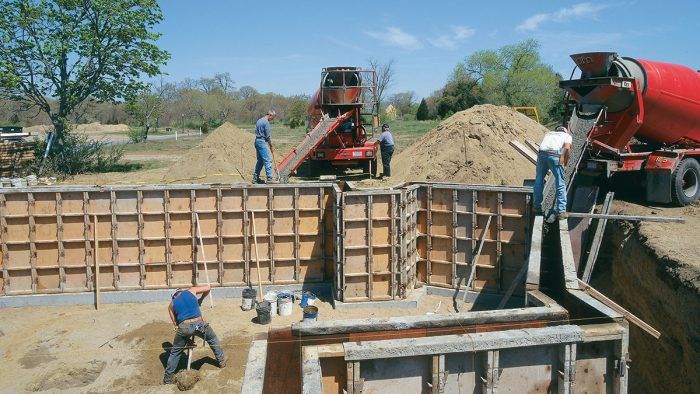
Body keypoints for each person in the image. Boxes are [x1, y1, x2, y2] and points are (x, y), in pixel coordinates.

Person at [163, 286, 226, 385]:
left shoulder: (171, 305)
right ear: (181, 291)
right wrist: (200, 299)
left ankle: (167, 380)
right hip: (200, 324)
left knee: (175, 352)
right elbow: (208, 288)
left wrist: (185, 338)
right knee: (212, 338)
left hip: (184, 327)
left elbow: (176, 324)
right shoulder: (191, 291)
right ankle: (221, 361)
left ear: (173, 297)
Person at [533, 125, 572, 219]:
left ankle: (537, 208)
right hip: (554, 155)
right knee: (560, 182)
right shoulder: (567, 136)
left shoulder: (549, 133)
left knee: (538, 180)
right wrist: (565, 164)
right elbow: (567, 149)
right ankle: (561, 211)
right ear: (565, 131)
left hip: (542, 154)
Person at [252, 110, 277, 184]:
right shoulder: (266, 122)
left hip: (257, 141)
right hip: (261, 142)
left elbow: (256, 131)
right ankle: (269, 178)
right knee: (267, 160)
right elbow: (268, 136)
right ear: (270, 115)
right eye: (272, 118)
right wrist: (271, 146)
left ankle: (255, 178)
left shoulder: (259, 120)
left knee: (260, 161)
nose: (272, 119)